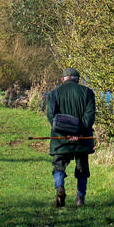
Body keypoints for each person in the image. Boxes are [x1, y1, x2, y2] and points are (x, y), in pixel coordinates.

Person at [46, 67, 95, 207]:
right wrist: (78, 133)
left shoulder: (54, 93)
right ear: (78, 80)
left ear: (63, 79)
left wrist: (65, 134)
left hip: (60, 140)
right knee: (82, 169)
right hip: (82, 139)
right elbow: (89, 117)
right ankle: (80, 198)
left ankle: (60, 188)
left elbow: (51, 116)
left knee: (58, 166)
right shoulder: (88, 93)